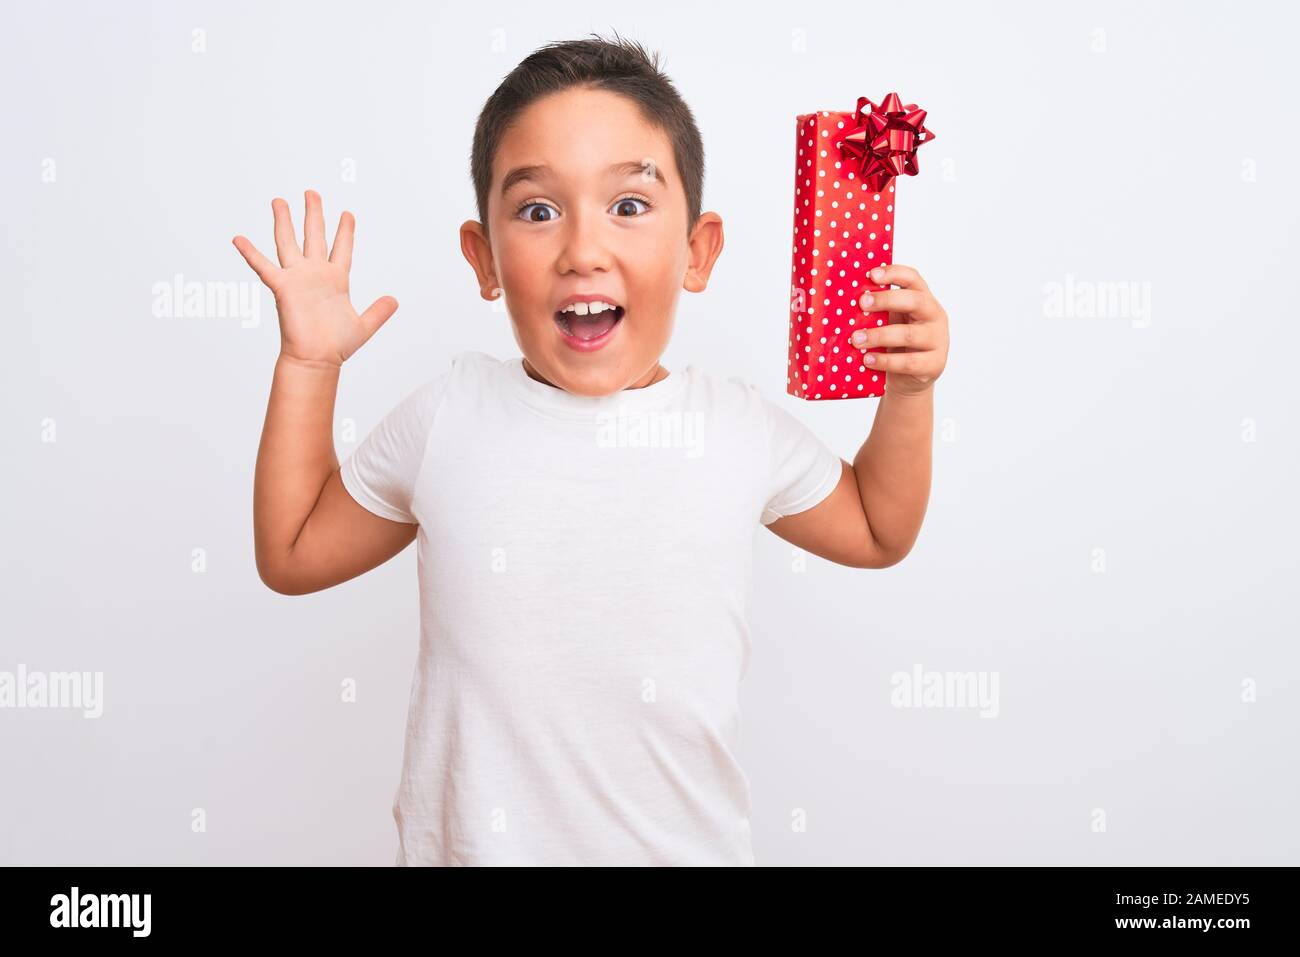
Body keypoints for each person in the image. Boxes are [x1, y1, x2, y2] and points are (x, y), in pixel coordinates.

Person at [231, 34, 949, 866]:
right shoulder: (449, 415)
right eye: (537, 210)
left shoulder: (734, 426)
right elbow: (290, 552)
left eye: (630, 205)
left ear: (698, 251)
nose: (582, 250)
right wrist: (309, 365)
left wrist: (911, 391)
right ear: (484, 259)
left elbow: (877, 527)